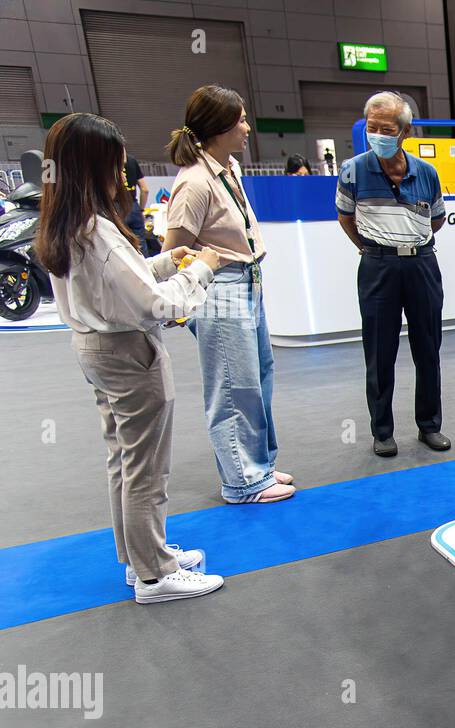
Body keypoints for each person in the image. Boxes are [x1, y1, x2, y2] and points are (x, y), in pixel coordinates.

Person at [35, 113, 225, 604]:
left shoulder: (67, 222)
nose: (125, 176)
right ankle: (156, 574)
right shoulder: (96, 229)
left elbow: (122, 280)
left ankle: (140, 557)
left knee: (123, 460)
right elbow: (158, 305)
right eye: (117, 166)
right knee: (147, 468)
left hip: (96, 349)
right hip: (127, 352)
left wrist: (167, 262)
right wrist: (200, 270)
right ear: (93, 166)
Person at [164, 84, 295, 503]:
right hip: (221, 287)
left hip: (247, 280)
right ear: (219, 128)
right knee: (231, 385)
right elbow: (175, 252)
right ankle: (242, 480)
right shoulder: (195, 183)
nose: (247, 127)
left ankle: (260, 464)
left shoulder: (228, 169)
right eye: (239, 119)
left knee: (257, 378)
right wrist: (186, 303)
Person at [336, 91, 450, 458]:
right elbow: (346, 217)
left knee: (428, 348)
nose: (378, 134)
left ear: (404, 132)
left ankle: (429, 426)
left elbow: (437, 218)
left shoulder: (427, 173)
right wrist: (371, 247)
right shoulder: (353, 170)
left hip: (421, 264)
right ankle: (382, 431)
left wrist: (410, 241)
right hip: (377, 267)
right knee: (380, 351)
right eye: (372, 127)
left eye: (387, 129)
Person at [123, 154, 147, 249]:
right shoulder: (132, 160)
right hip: (134, 206)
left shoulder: (108, 160)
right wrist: (141, 209)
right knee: (140, 245)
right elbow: (145, 189)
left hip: (116, 207)